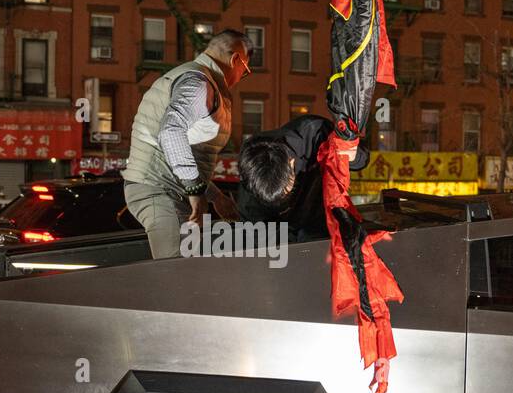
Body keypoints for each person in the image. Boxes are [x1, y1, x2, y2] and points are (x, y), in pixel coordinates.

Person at [122, 29, 250, 258]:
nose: (241, 78)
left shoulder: (192, 76)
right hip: (159, 190)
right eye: (245, 72)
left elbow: (179, 152)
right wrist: (195, 191)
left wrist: (215, 197)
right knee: (178, 274)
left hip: (161, 187)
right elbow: (171, 132)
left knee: (187, 270)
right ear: (236, 59)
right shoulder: (199, 83)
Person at [236, 113, 370, 242]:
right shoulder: (251, 177)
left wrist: (352, 155)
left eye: (285, 192)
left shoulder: (314, 133)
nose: (284, 201)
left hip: (319, 221)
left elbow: (363, 160)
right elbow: (256, 235)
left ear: (291, 163)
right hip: (278, 233)